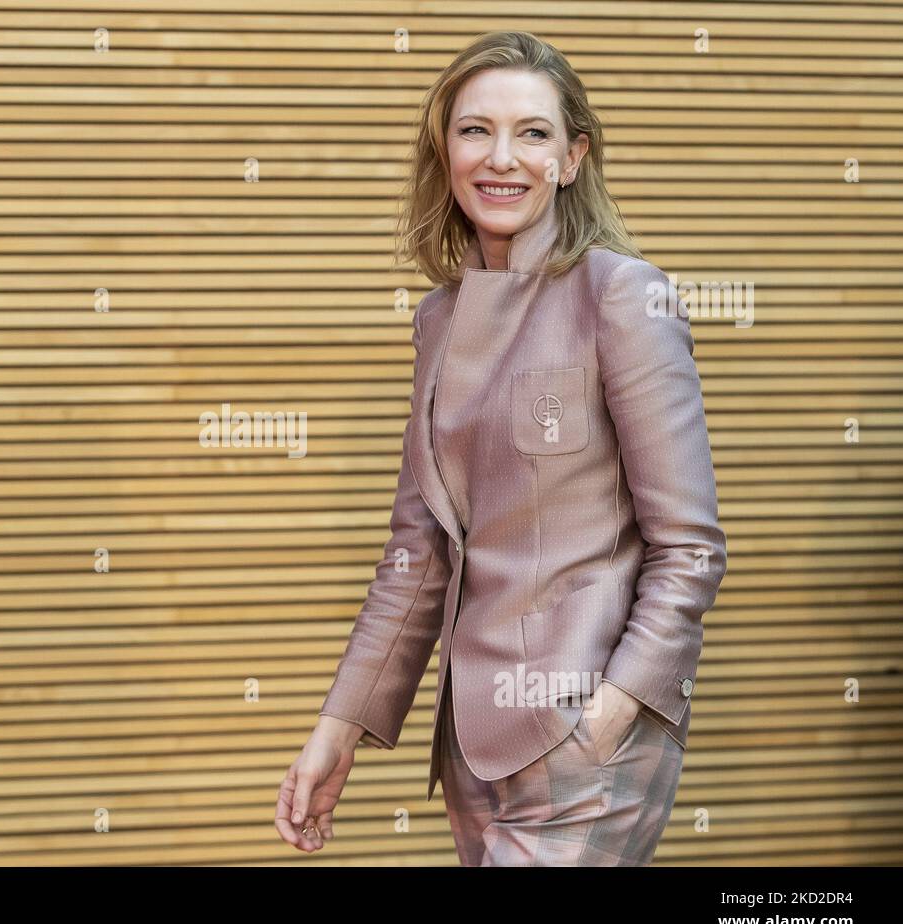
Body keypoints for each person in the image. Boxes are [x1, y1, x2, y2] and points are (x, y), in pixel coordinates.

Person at [274, 30, 727, 865]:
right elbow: (418, 555)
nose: (501, 157)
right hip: (470, 748)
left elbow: (690, 547)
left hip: (585, 743)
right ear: (444, 151)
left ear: (571, 158)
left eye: (533, 133)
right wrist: (337, 728)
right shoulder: (441, 321)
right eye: (475, 130)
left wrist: (615, 707)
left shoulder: (624, 296)